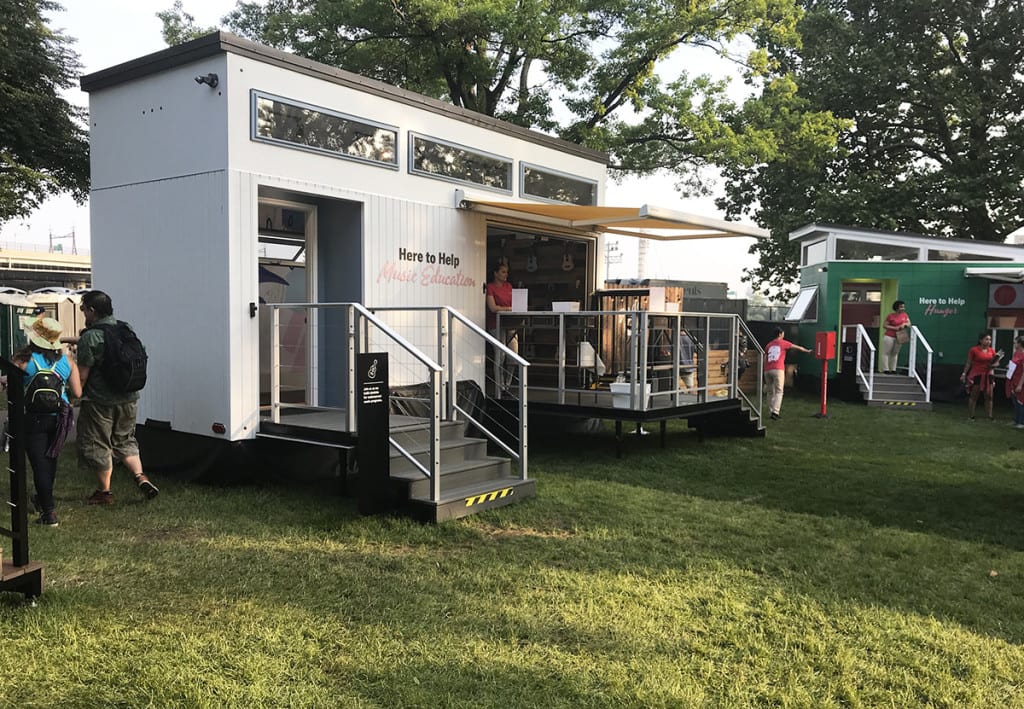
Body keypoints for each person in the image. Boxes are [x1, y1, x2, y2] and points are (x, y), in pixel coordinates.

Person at [76, 290, 159, 504]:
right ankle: (141, 477)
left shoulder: (91, 337)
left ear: (92, 310)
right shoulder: (125, 327)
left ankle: (104, 492)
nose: (83, 313)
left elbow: (82, 375)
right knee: (125, 439)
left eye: (83, 309)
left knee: (99, 442)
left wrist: (74, 395)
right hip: (130, 396)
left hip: (100, 401)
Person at [11, 317, 82, 526]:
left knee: (39, 465)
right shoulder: (67, 362)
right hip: (60, 418)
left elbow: (13, 389)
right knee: (50, 461)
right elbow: (77, 392)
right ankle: (43, 501)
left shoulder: (22, 360)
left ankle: (49, 512)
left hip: (32, 418)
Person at [764, 327, 811, 420]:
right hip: (778, 369)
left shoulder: (768, 345)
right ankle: (775, 412)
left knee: (770, 392)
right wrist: (807, 351)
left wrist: (764, 370)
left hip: (767, 370)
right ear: (780, 334)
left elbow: (765, 358)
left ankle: (770, 411)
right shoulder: (783, 343)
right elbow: (798, 347)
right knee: (779, 391)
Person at [485, 262, 518, 394]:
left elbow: (516, 303)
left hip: (511, 323)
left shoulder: (509, 286)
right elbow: (492, 307)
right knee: (501, 355)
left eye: (506, 272)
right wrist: (508, 309)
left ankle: (507, 386)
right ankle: (499, 386)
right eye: (503, 272)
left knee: (513, 355)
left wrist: (509, 309)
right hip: (496, 324)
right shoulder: (490, 287)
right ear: (495, 273)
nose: (506, 274)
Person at [960, 332, 1003, 421]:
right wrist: (964, 374)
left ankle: (990, 416)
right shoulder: (974, 350)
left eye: (990, 339)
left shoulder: (991, 350)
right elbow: (968, 362)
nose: (988, 341)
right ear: (980, 340)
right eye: (986, 339)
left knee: (989, 396)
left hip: (989, 374)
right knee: (974, 395)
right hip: (977, 374)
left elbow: (997, 362)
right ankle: (971, 416)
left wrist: (994, 365)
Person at [881, 300, 911, 374]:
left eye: (903, 307)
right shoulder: (890, 316)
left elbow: (909, 323)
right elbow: (885, 325)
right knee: (886, 352)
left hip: (900, 336)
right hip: (889, 336)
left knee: (895, 353)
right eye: (901, 307)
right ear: (897, 307)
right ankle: (886, 369)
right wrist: (895, 328)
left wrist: (904, 325)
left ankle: (893, 369)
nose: (903, 308)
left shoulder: (905, 315)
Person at [1005, 336, 1024, 429]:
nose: (1014, 344)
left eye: (1015, 342)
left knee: (1021, 401)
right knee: (1015, 400)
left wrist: (1020, 384)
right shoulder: (1016, 353)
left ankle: (1021, 422)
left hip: (1020, 380)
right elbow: (1013, 363)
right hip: (1013, 379)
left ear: (1020, 344)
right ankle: (1016, 420)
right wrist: (1009, 366)